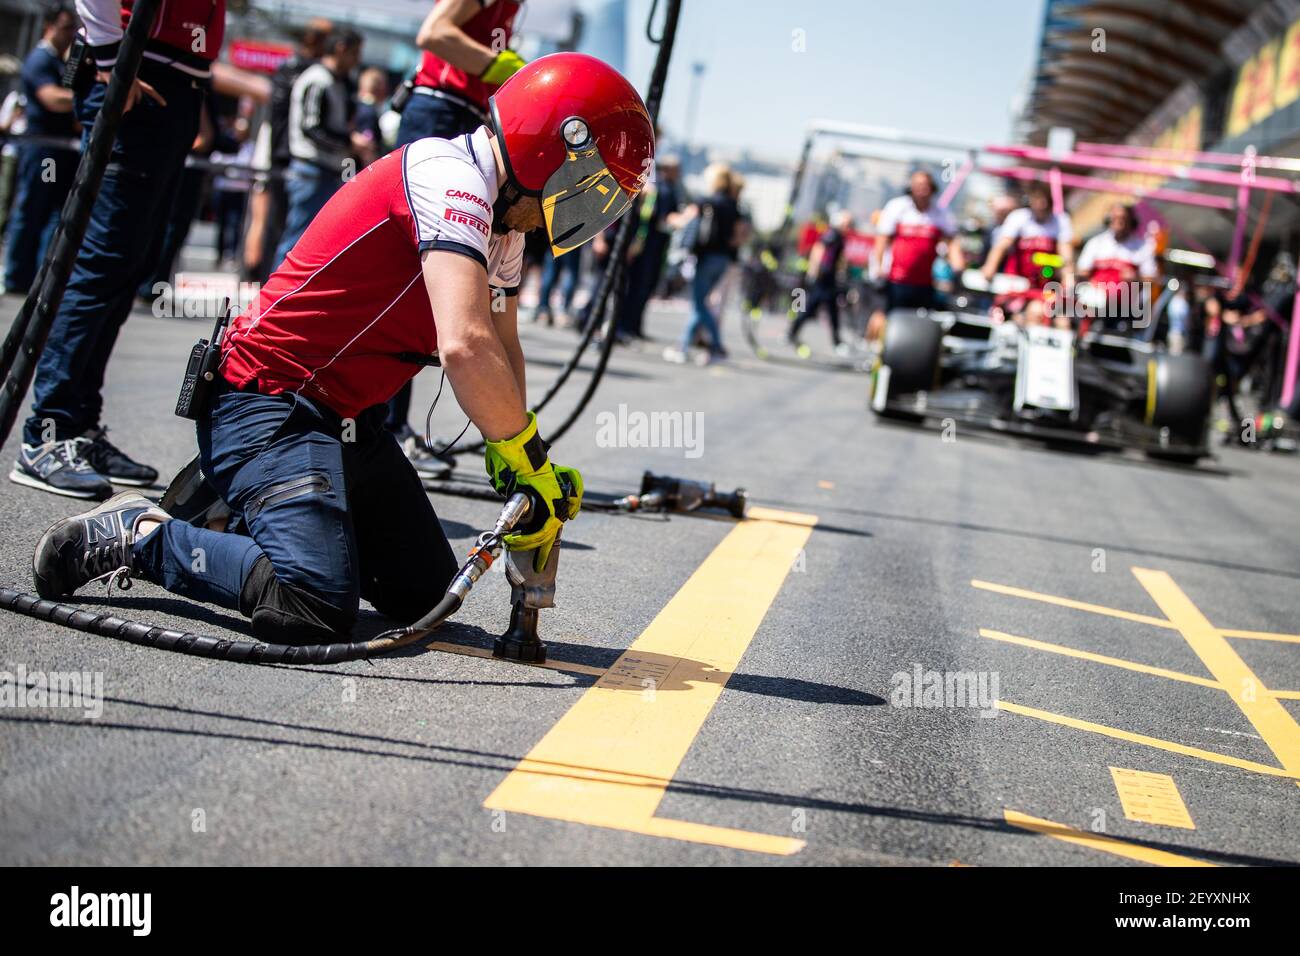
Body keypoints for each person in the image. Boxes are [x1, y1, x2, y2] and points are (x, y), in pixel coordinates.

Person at [31, 53, 654, 648]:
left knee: (425, 595)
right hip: (266, 398)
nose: (571, 208)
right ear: (551, 145)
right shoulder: (451, 178)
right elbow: (464, 345)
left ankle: (238, 513)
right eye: (583, 183)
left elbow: (502, 343)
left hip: (342, 420)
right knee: (314, 600)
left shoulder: (502, 223)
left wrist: (525, 458)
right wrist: (518, 449)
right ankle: (139, 537)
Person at [11, 0, 226, 499]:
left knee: (127, 268)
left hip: (171, 80)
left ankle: (79, 426)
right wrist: (112, 63)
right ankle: (48, 434)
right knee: (101, 265)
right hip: (137, 69)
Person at [386, 0, 526, 468]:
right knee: (410, 281)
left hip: (459, 112)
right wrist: (498, 65)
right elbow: (435, 33)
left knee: (433, 295)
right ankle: (385, 429)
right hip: (441, 111)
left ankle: (388, 428)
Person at [272, 30, 365, 268]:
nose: (357, 60)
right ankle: (274, 300)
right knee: (296, 240)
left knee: (308, 242)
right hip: (310, 170)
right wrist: (349, 142)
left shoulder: (337, 82)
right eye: (355, 53)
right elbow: (311, 128)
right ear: (341, 48)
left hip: (324, 171)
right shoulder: (318, 79)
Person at [3, 3, 78, 296]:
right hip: (44, 151)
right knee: (34, 208)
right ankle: (17, 277)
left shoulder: (61, 60)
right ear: (49, 27)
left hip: (58, 151)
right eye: (65, 28)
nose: (69, 35)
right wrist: (87, 97)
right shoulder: (40, 60)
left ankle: (37, 275)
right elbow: (53, 99)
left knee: (53, 213)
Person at [253, 18, 332, 283]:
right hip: (285, 156)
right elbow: (284, 120)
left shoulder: (308, 71)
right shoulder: (301, 72)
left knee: (282, 224)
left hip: (287, 155)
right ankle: (268, 282)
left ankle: (267, 280)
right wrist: (280, 157)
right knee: (279, 223)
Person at [866, 170, 963, 344]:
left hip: (924, 282)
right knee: (885, 318)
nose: (921, 190)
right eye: (917, 186)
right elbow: (881, 240)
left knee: (918, 325)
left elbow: (952, 242)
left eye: (925, 186)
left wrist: (958, 268)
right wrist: (878, 270)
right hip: (895, 280)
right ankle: (877, 352)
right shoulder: (897, 207)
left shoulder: (940, 214)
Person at [663, 162, 741, 365]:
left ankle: (716, 346)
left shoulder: (706, 201)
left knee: (699, 305)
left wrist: (671, 219)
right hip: (723, 259)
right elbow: (738, 235)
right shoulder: (732, 205)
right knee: (701, 305)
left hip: (706, 258)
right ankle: (683, 345)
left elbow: (685, 220)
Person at [980, 181, 1073, 321]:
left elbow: (1066, 256)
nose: (1041, 204)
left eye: (1045, 200)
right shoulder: (1019, 217)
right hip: (1017, 282)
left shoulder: (1060, 221)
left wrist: (1068, 278)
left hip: (1045, 285)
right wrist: (990, 267)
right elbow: (1002, 246)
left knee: (1054, 318)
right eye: (1037, 200)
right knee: (1009, 315)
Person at [617, 154, 683, 341]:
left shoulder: (662, 188)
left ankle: (631, 325)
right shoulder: (663, 190)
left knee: (640, 287)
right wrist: (684, 219)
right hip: (650, 246)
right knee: (639, 286)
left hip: (649, 245)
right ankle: (628, 325)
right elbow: (662, 218)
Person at [1074, 203, 1157, 333]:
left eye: (1123, 219)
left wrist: (1136, 277)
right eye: (1115, 218)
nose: (1119, 222)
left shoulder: (1142, 247)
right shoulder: (1096, 243)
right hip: (1094, 301)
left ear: (1131, 221)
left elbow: (1151, 279)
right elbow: (1082, 271)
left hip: (1125, 306)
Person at [789, 210, 853, 356]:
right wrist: (813, 271)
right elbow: (819, 250)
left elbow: (840, 259)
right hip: (823, 279)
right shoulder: (833, 234)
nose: (849, 227)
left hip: (829, 279)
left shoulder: (839, 237)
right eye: (847, 224)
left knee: (831, 312)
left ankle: (836, 342)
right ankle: (791, 333)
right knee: (810, 309)